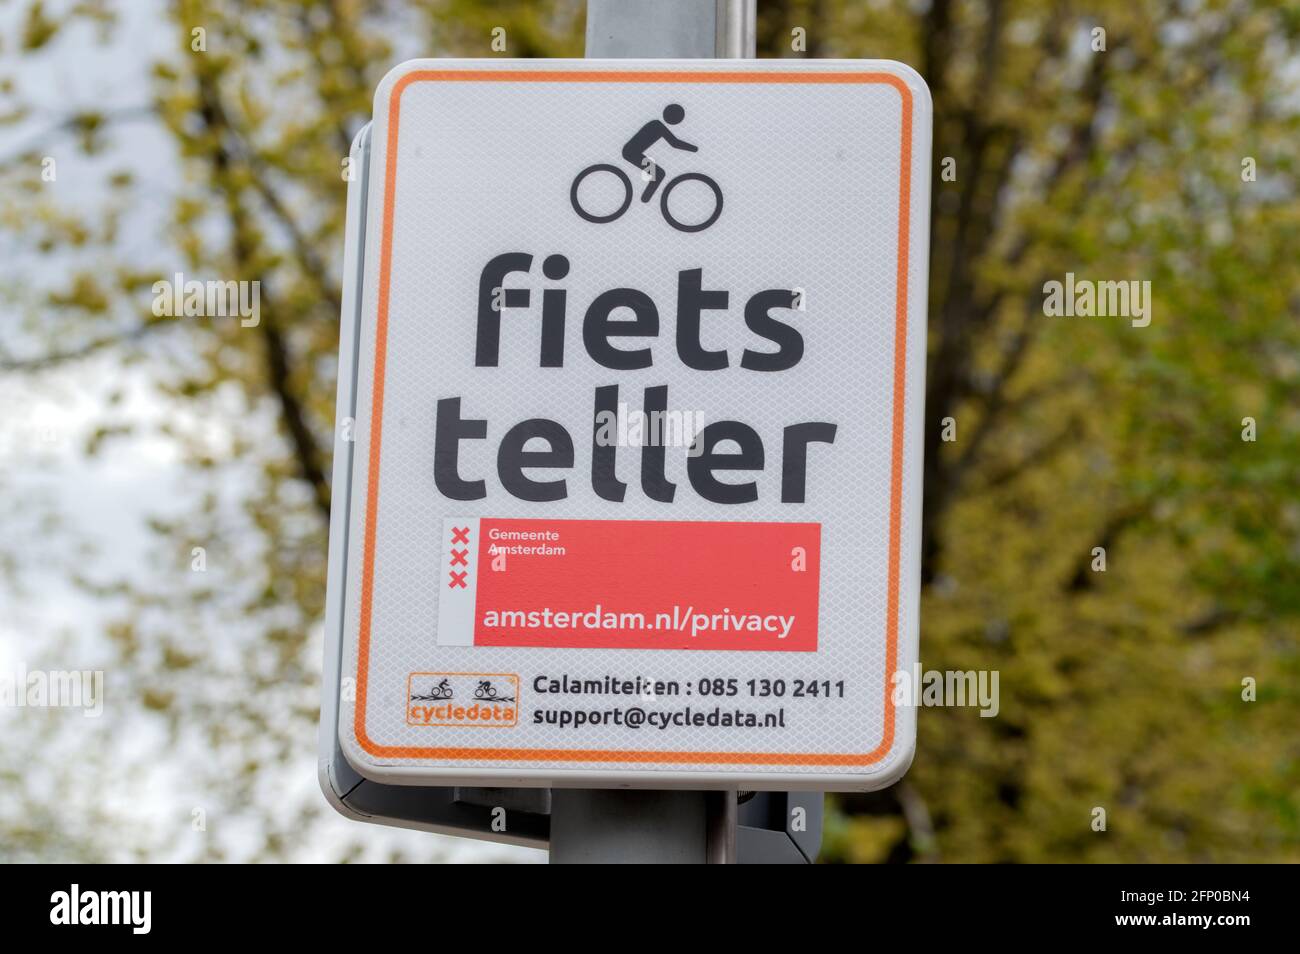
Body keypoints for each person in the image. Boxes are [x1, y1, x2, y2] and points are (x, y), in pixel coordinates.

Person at [621, 104, 698, 202]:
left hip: (631, 152)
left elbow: (674, 143)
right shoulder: (658, 125)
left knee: (658, 173)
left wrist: (694, 148)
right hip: (631, 153)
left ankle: (645, 199)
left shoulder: (656, 124)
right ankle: (645, 199)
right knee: (659, 174)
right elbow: (675, 143)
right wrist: (695, 149)